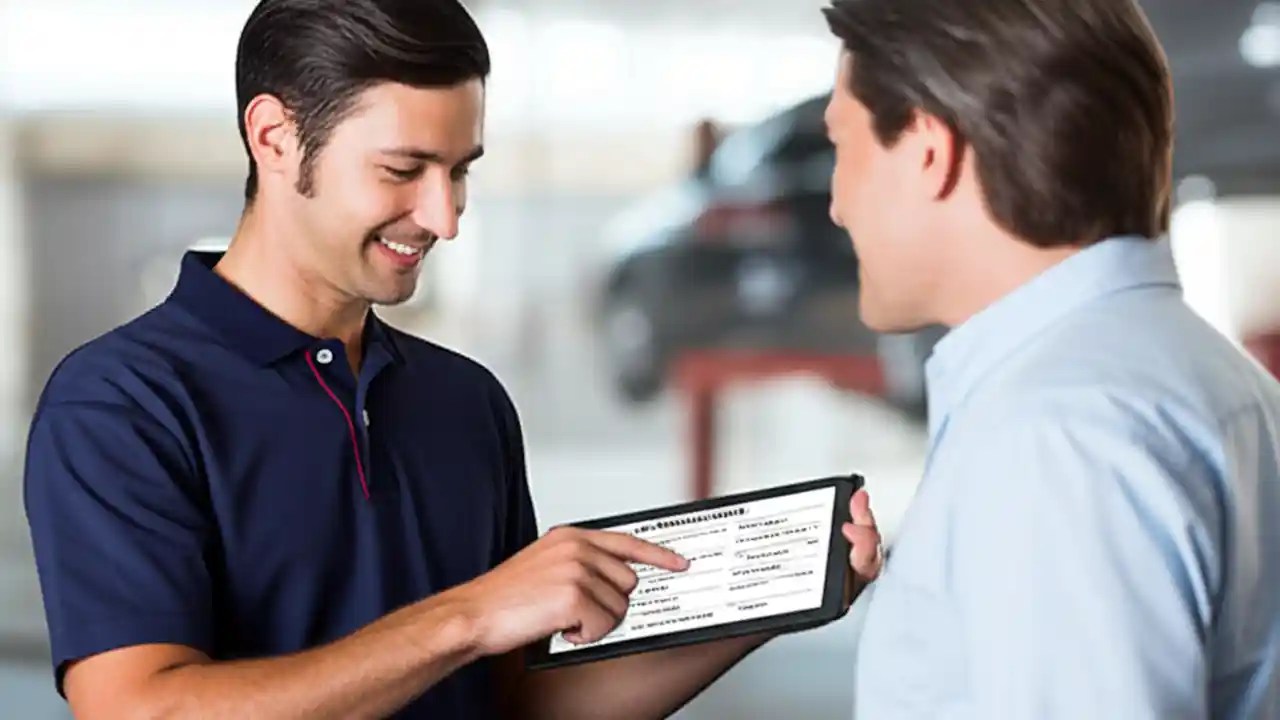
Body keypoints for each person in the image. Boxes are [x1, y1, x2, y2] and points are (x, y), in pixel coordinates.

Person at [21, 1, 885, 718]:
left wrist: (771, 598)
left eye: (459, 171)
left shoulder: (464, 401)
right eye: (404, 169)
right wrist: (471, 615)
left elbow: (517, 702)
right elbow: (141, 709)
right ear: (275, 138)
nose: (443, 216)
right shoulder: (121, 405)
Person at [823, 0, 1280, 717]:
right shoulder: (1219, 382)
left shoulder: (1053, 435)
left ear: (927, 150)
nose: (836, 205)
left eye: (841, 147)